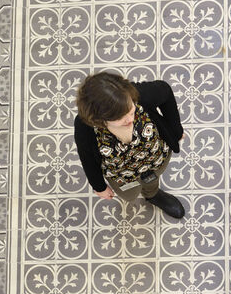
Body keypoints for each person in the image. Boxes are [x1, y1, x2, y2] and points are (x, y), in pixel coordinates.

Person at [73, 72, 187, 220]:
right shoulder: (85, 127)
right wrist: (99, 186)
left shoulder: (137, 95)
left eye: (130, 110)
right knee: (130, 193)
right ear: (99, 120)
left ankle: (152, 195)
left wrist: (176, 130)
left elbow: (165, 90)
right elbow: (87, 158)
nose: (130, 119)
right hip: (122, 175)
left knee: (153, 180)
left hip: (155, 157)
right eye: (119, 118)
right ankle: (143, 193)